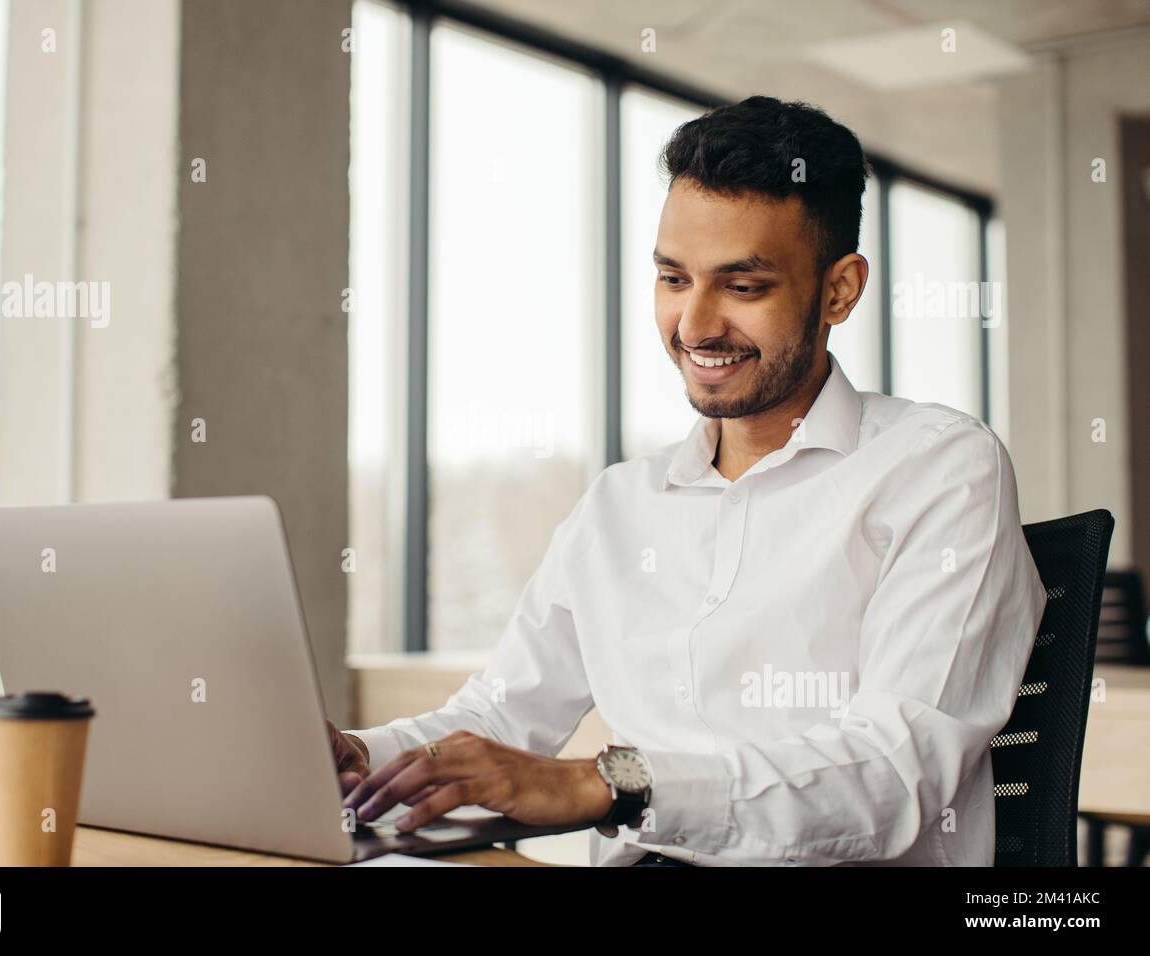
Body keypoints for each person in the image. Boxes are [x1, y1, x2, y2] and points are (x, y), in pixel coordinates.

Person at [329, 94, 1046, 866]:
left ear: (839, 290)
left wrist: (615, 784)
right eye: (674, 279)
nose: (696, 325)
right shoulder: (618, 506)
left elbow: (892, 773)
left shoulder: (938, 467)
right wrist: (358, 759)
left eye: (743, 287)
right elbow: (500, 717)